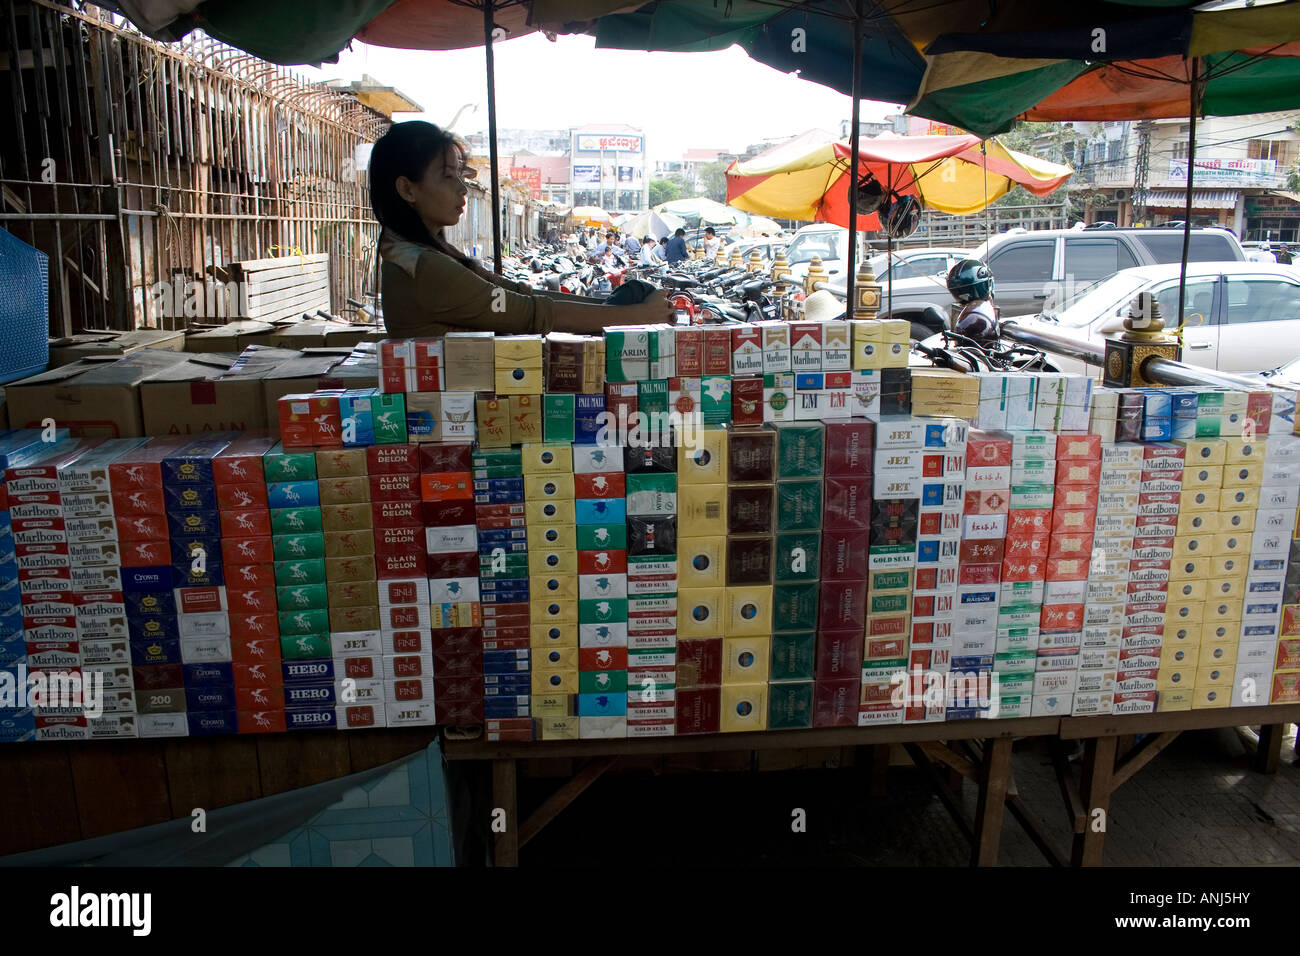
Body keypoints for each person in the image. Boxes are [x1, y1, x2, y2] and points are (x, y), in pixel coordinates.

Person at [370, 121, 671, 336]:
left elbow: (516, 292)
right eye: (448, 176)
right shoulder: (424, 269)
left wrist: (610, 305)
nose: (462, 189)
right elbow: (529, 313)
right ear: (407, 189)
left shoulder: (422, 254)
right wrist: (639, 316)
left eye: (460, 176)